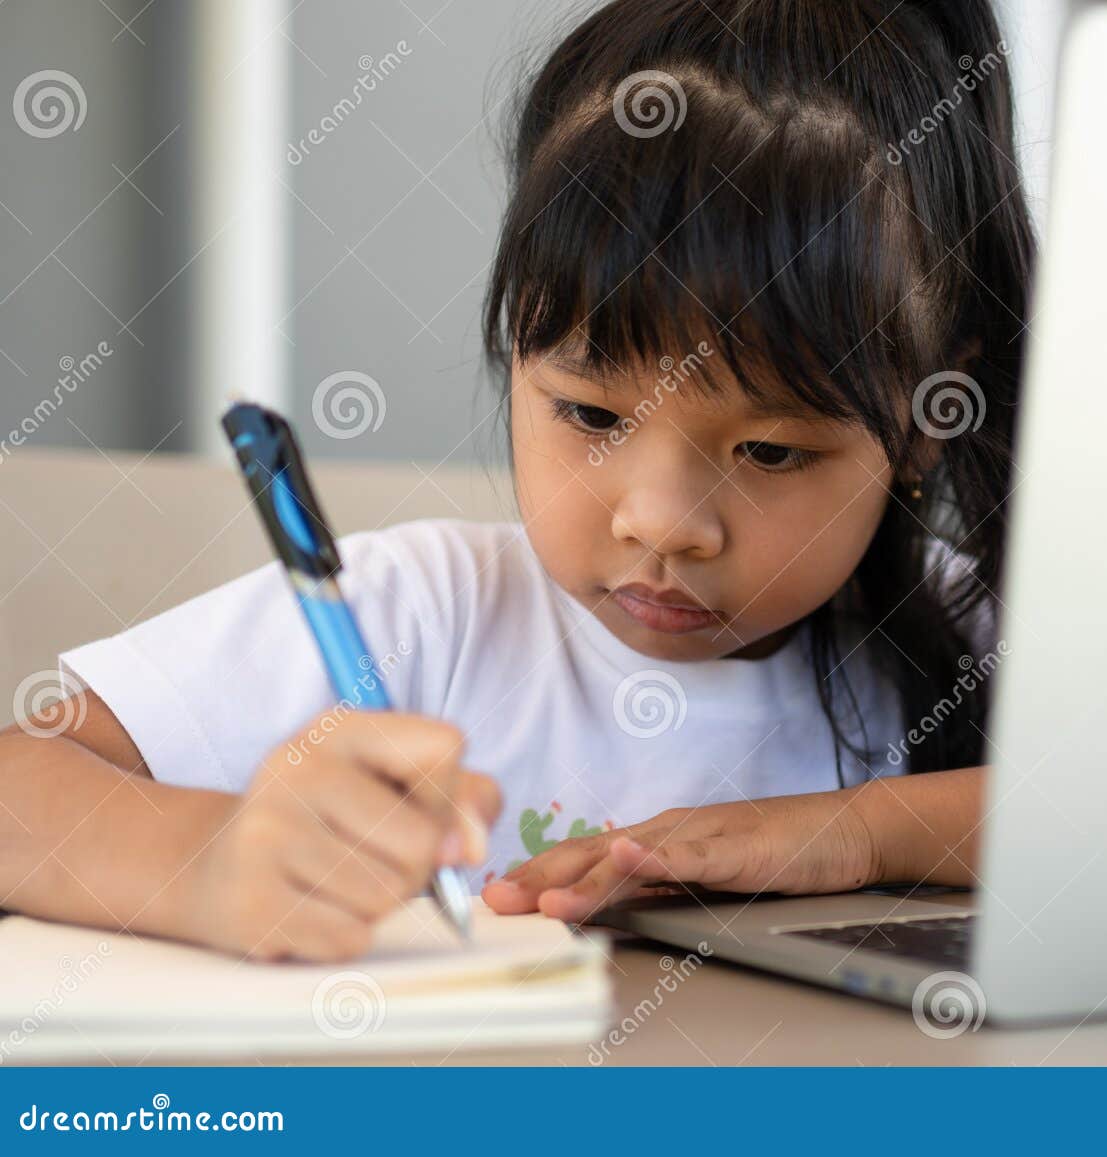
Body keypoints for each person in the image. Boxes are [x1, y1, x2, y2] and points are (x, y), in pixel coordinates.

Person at [0, 0, 1032, 960]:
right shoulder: (423, 609)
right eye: (590, 414)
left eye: (770, 451)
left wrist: (851, 834)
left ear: (925, 424)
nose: (661, 522)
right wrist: (208, 862)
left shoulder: (951, 621)